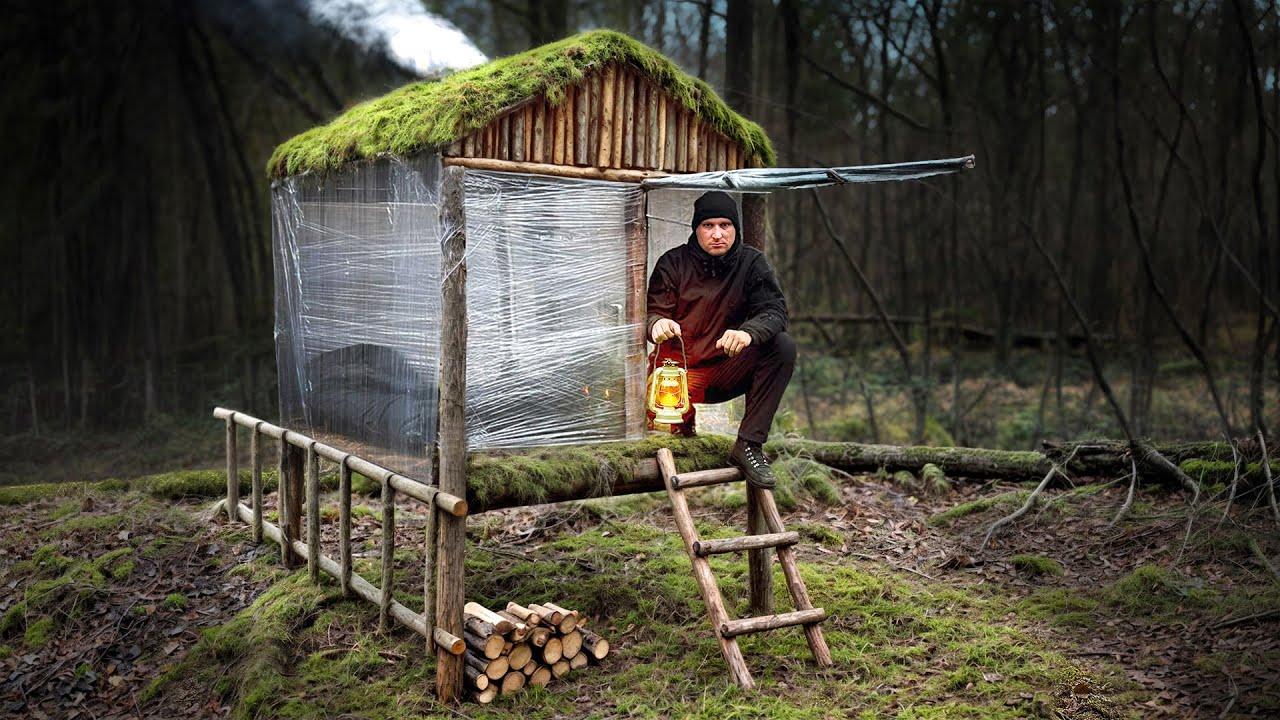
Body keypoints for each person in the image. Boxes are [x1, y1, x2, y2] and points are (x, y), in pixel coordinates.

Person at [645, 190, 795, 489]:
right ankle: (678, 428)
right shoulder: (672, 263)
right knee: (664, 421)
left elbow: (774, 311)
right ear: (696, 229)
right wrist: (657, 324)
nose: (717, 234)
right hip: (678, 380)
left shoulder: (752, 263)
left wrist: (748, 333)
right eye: (708, 225)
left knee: (782, 346)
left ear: (735, 229)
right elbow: (650, 313)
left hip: (727, 372)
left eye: (725, 225)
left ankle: (749, 445)